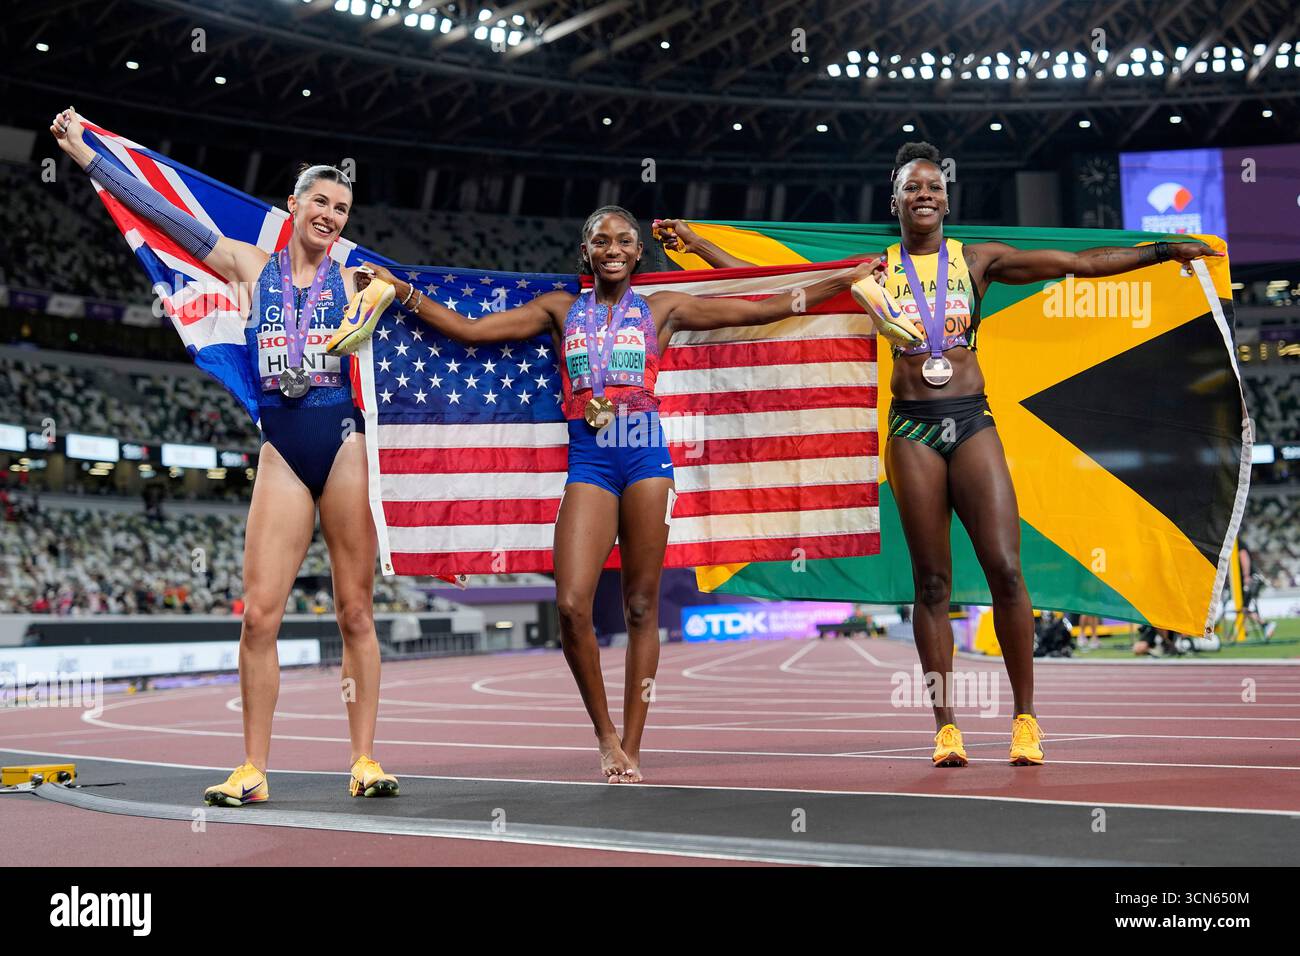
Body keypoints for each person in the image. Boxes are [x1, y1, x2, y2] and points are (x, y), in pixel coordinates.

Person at [657, 142, 1222, 767]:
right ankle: (945, 726)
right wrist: (699, 247)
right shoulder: (869, 274)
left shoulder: (976, 261)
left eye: (933, 186)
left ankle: (1026, 719)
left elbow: (1078, 263)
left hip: (972, 421)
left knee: (1006, 570)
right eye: (911, 187)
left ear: (946, 198)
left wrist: (1164, 251)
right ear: (894, 200)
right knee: (932, 584)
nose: (924, 194)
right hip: (911, 432)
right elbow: (775, 291)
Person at [358, 206, 872, 782]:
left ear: (636, 253)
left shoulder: (663, 310)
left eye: (624, 240)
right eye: (601, 240)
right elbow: (473, 333)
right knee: (573, 604)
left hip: (646, 453)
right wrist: (402, 293)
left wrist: (841, 280)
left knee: (640, 605)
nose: (612, 248)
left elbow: (761, 307)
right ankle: (603, 735)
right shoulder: (560, 310)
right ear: (586, 251)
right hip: (591, 460)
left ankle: (630, 744)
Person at [50, 108, 399, 804]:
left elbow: (427, 313)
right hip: (282, 446)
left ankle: (364, 760)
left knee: (354, 612)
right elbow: (162, 215)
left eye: (343, 207)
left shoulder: (360, 282)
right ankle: (252, 769)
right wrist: (88, 157)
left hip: (341, 443)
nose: (331, 215)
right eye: (321, 202)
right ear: (293, 206)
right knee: (259, 616)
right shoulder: (249, 266)